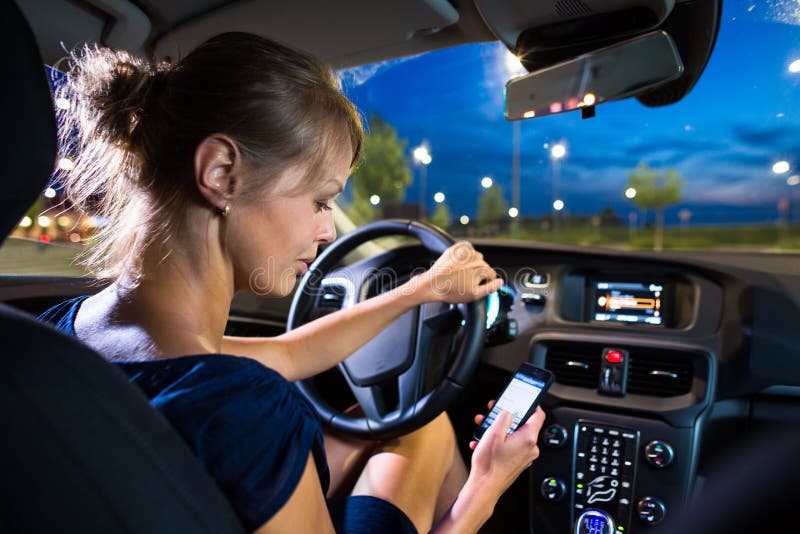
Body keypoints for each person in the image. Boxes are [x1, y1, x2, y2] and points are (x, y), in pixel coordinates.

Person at [39, 32, 546, 534]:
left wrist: (423, 290)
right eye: (321, 201)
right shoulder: (239, 405)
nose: (326, 232)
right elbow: (262, 376)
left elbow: (287, 353)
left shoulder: (60, 332)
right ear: (220, 173)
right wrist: (486, 489)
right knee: (424, 429)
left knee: (409, 424)